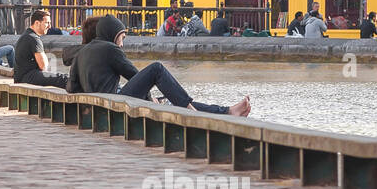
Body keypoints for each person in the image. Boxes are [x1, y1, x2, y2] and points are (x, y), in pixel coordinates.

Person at [68, 15, 250, 116]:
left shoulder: (81, 53)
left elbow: (71, 87)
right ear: (112, 35)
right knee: (157, 68)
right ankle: (194, 112)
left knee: (171, 99)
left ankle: (226, 111)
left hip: (99, 107)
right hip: (113, 106)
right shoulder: (109, 49)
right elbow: (135, 75)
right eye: (121, 38)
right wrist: (148, 97)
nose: (122, 44)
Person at [13, 9, 68, 89]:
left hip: (22, 77)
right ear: (37, 23)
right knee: (63, 79)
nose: (49, 26)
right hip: (28, 77)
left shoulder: (26, 35)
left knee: (58, 77)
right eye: (47, 23)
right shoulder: (34, 38)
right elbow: (43, 66)